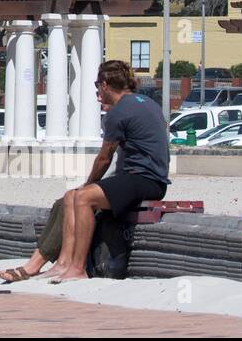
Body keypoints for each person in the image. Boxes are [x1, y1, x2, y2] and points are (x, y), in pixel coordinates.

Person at [41, 59, 170, 282]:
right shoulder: (148, 103)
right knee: (72, 195)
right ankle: (64, 263)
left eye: (97, 85)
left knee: (82, 197)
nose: (97, 91)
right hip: (148, 178)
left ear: (105, 84)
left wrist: (89, 183)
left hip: (145, 180)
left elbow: (104, 158)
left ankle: (78, 268)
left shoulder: (118, 112)